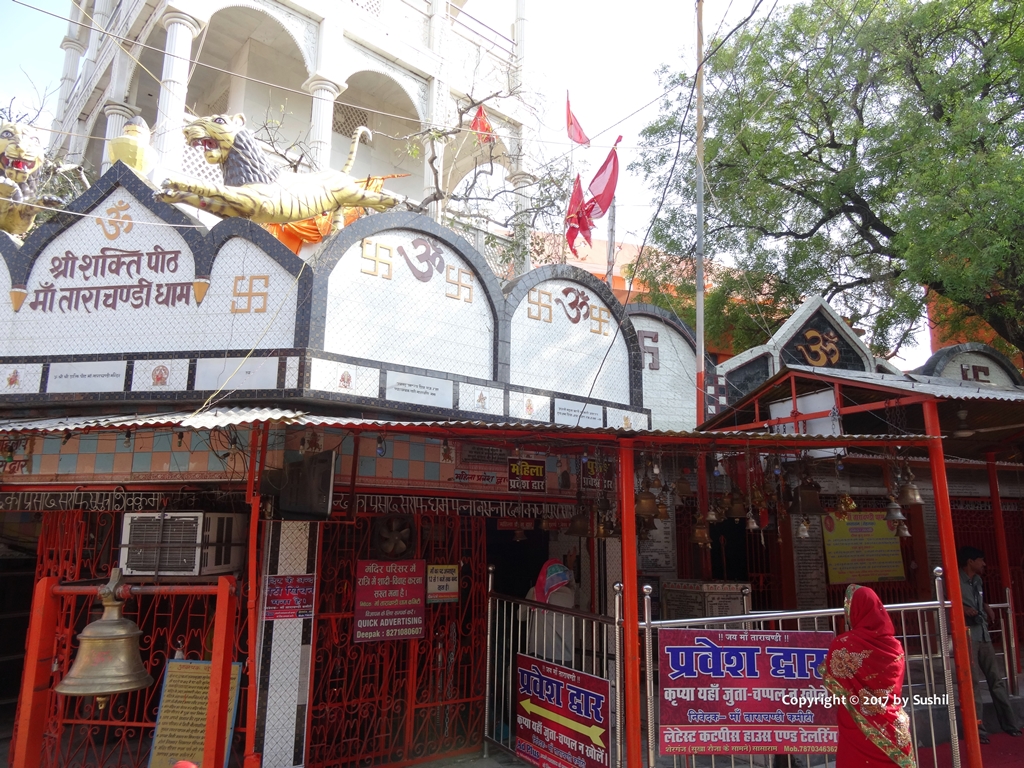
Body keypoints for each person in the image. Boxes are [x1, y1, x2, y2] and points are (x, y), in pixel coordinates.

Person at [821, 584, 915, 767]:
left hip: (857, 725)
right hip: (893, 726)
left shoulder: (842, 644)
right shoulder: (895, 646)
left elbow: (834, 692)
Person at [958, 545, 1022, 743]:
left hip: (983, 634)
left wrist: (984, 606)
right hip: (967, 636)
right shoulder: (953, 580)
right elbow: (943, 603)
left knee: (996, 679)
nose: (984, 564)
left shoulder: (977, 580)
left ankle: (1010, 724)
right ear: (971, 561)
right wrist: (963, 609)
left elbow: (979, 599)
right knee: (973, 684)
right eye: (981, 560)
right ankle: (978, 729)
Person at [523, 551, 578, 665]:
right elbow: (572, 585)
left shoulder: (535, 592)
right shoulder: (569, 594)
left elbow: (520, 616)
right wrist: (570, 565)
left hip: (540, 652)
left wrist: (531, 605)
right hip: (565, 656)